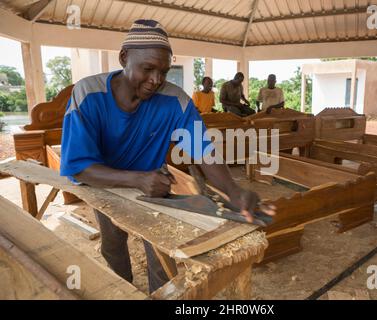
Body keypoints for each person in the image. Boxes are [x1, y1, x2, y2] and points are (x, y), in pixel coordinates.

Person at [60, 20, 275, 294]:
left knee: (161, 251)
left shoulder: (176, 101)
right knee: (114, 243)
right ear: (124, 57)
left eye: (163, 71)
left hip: (151, 185)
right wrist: (136, 179)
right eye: (147, 69)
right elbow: (79, 167)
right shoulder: (88, 94)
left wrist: (233, 191)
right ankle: (124, 290)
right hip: (104, 183)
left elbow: (203, 150)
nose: (156, 80)